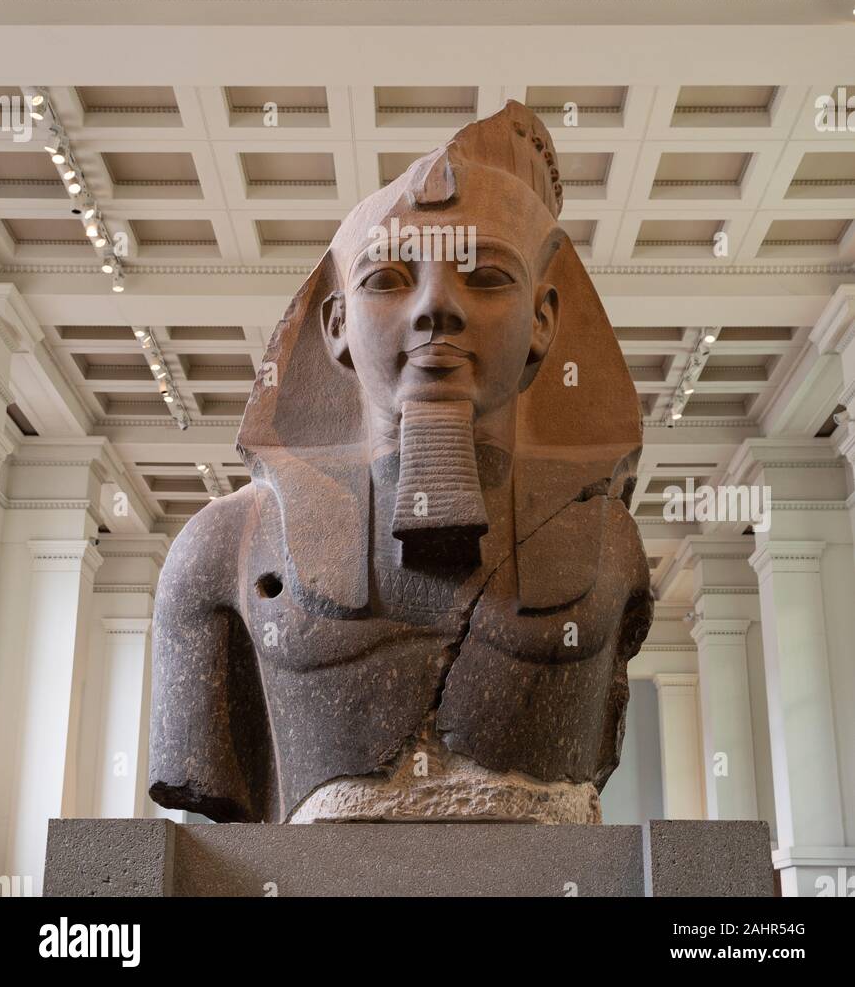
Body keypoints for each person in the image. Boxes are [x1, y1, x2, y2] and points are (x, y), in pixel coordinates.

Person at [149, 101, 653, 824]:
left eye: (485, 277)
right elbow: (209, 803)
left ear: (544, 320)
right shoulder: (219, 550)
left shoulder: (610, 546)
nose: (435, 308)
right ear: (336, 326)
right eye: (387, 279)